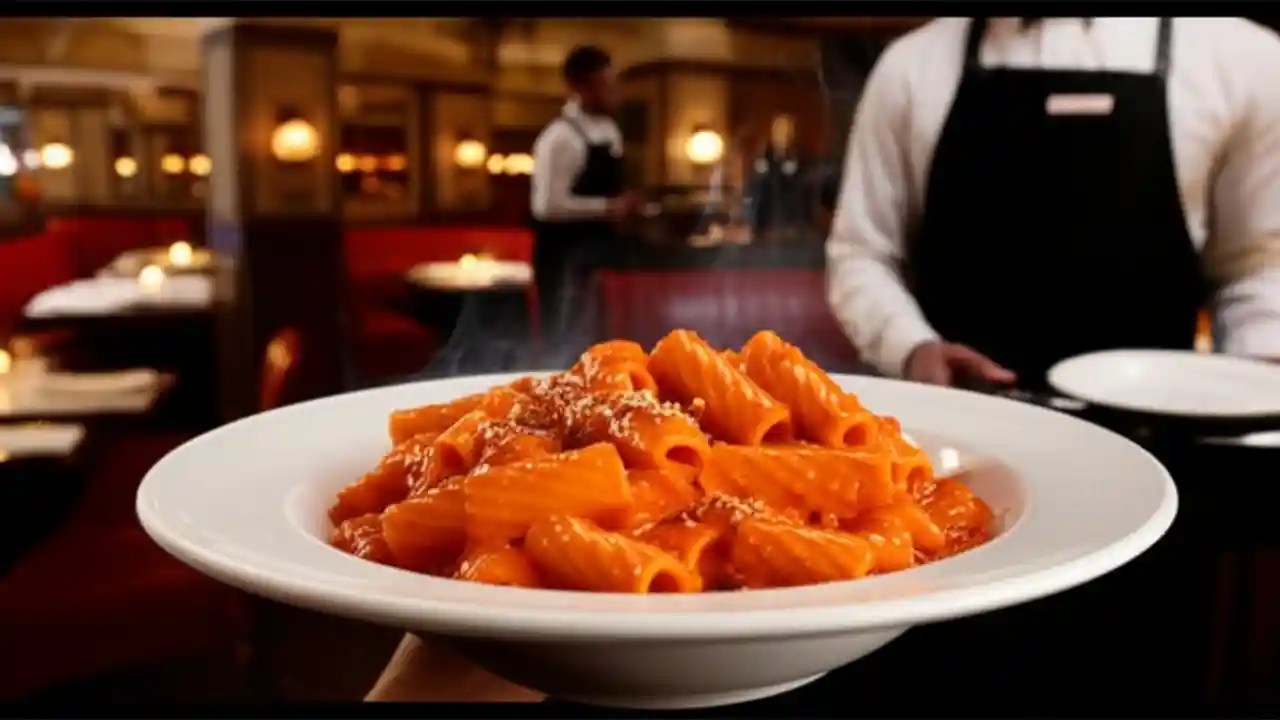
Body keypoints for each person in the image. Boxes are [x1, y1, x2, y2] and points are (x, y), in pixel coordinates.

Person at [827, 17, 1280, 390]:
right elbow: (862, 254)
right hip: (965, 441)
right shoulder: (912, 67)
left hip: (1169, 440)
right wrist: (911, 349)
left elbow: (1258, 266)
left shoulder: (1244, 62)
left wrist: (1257, 386)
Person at [531, 45, 638, 360]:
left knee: (598, 343)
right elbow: (546, 206)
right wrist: (608, 207)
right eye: (605, 85)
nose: (614, 92)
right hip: (562, 256)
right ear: (580, 88)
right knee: (564, 345)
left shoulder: (609, 129)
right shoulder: (560, 137)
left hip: (598, 255)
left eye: (613, 83)